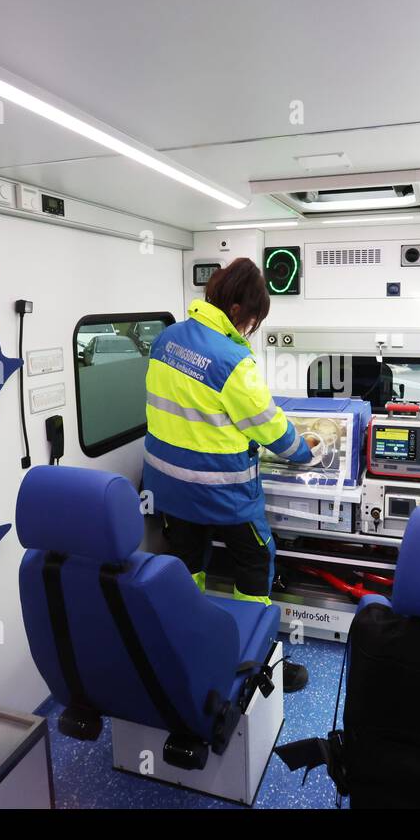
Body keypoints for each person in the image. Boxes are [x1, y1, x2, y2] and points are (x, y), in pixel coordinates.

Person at [143, 257, 319, 692]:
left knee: (188, 565)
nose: (251, 330)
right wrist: (305, 451)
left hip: (168, 490)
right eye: (254, 321)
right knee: (256, 563)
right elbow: (271, 430)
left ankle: (188, 645)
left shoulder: (165, 339)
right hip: (223, 495)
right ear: (239, 311)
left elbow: (188, 413)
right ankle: (249, 656)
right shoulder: (233, 362)